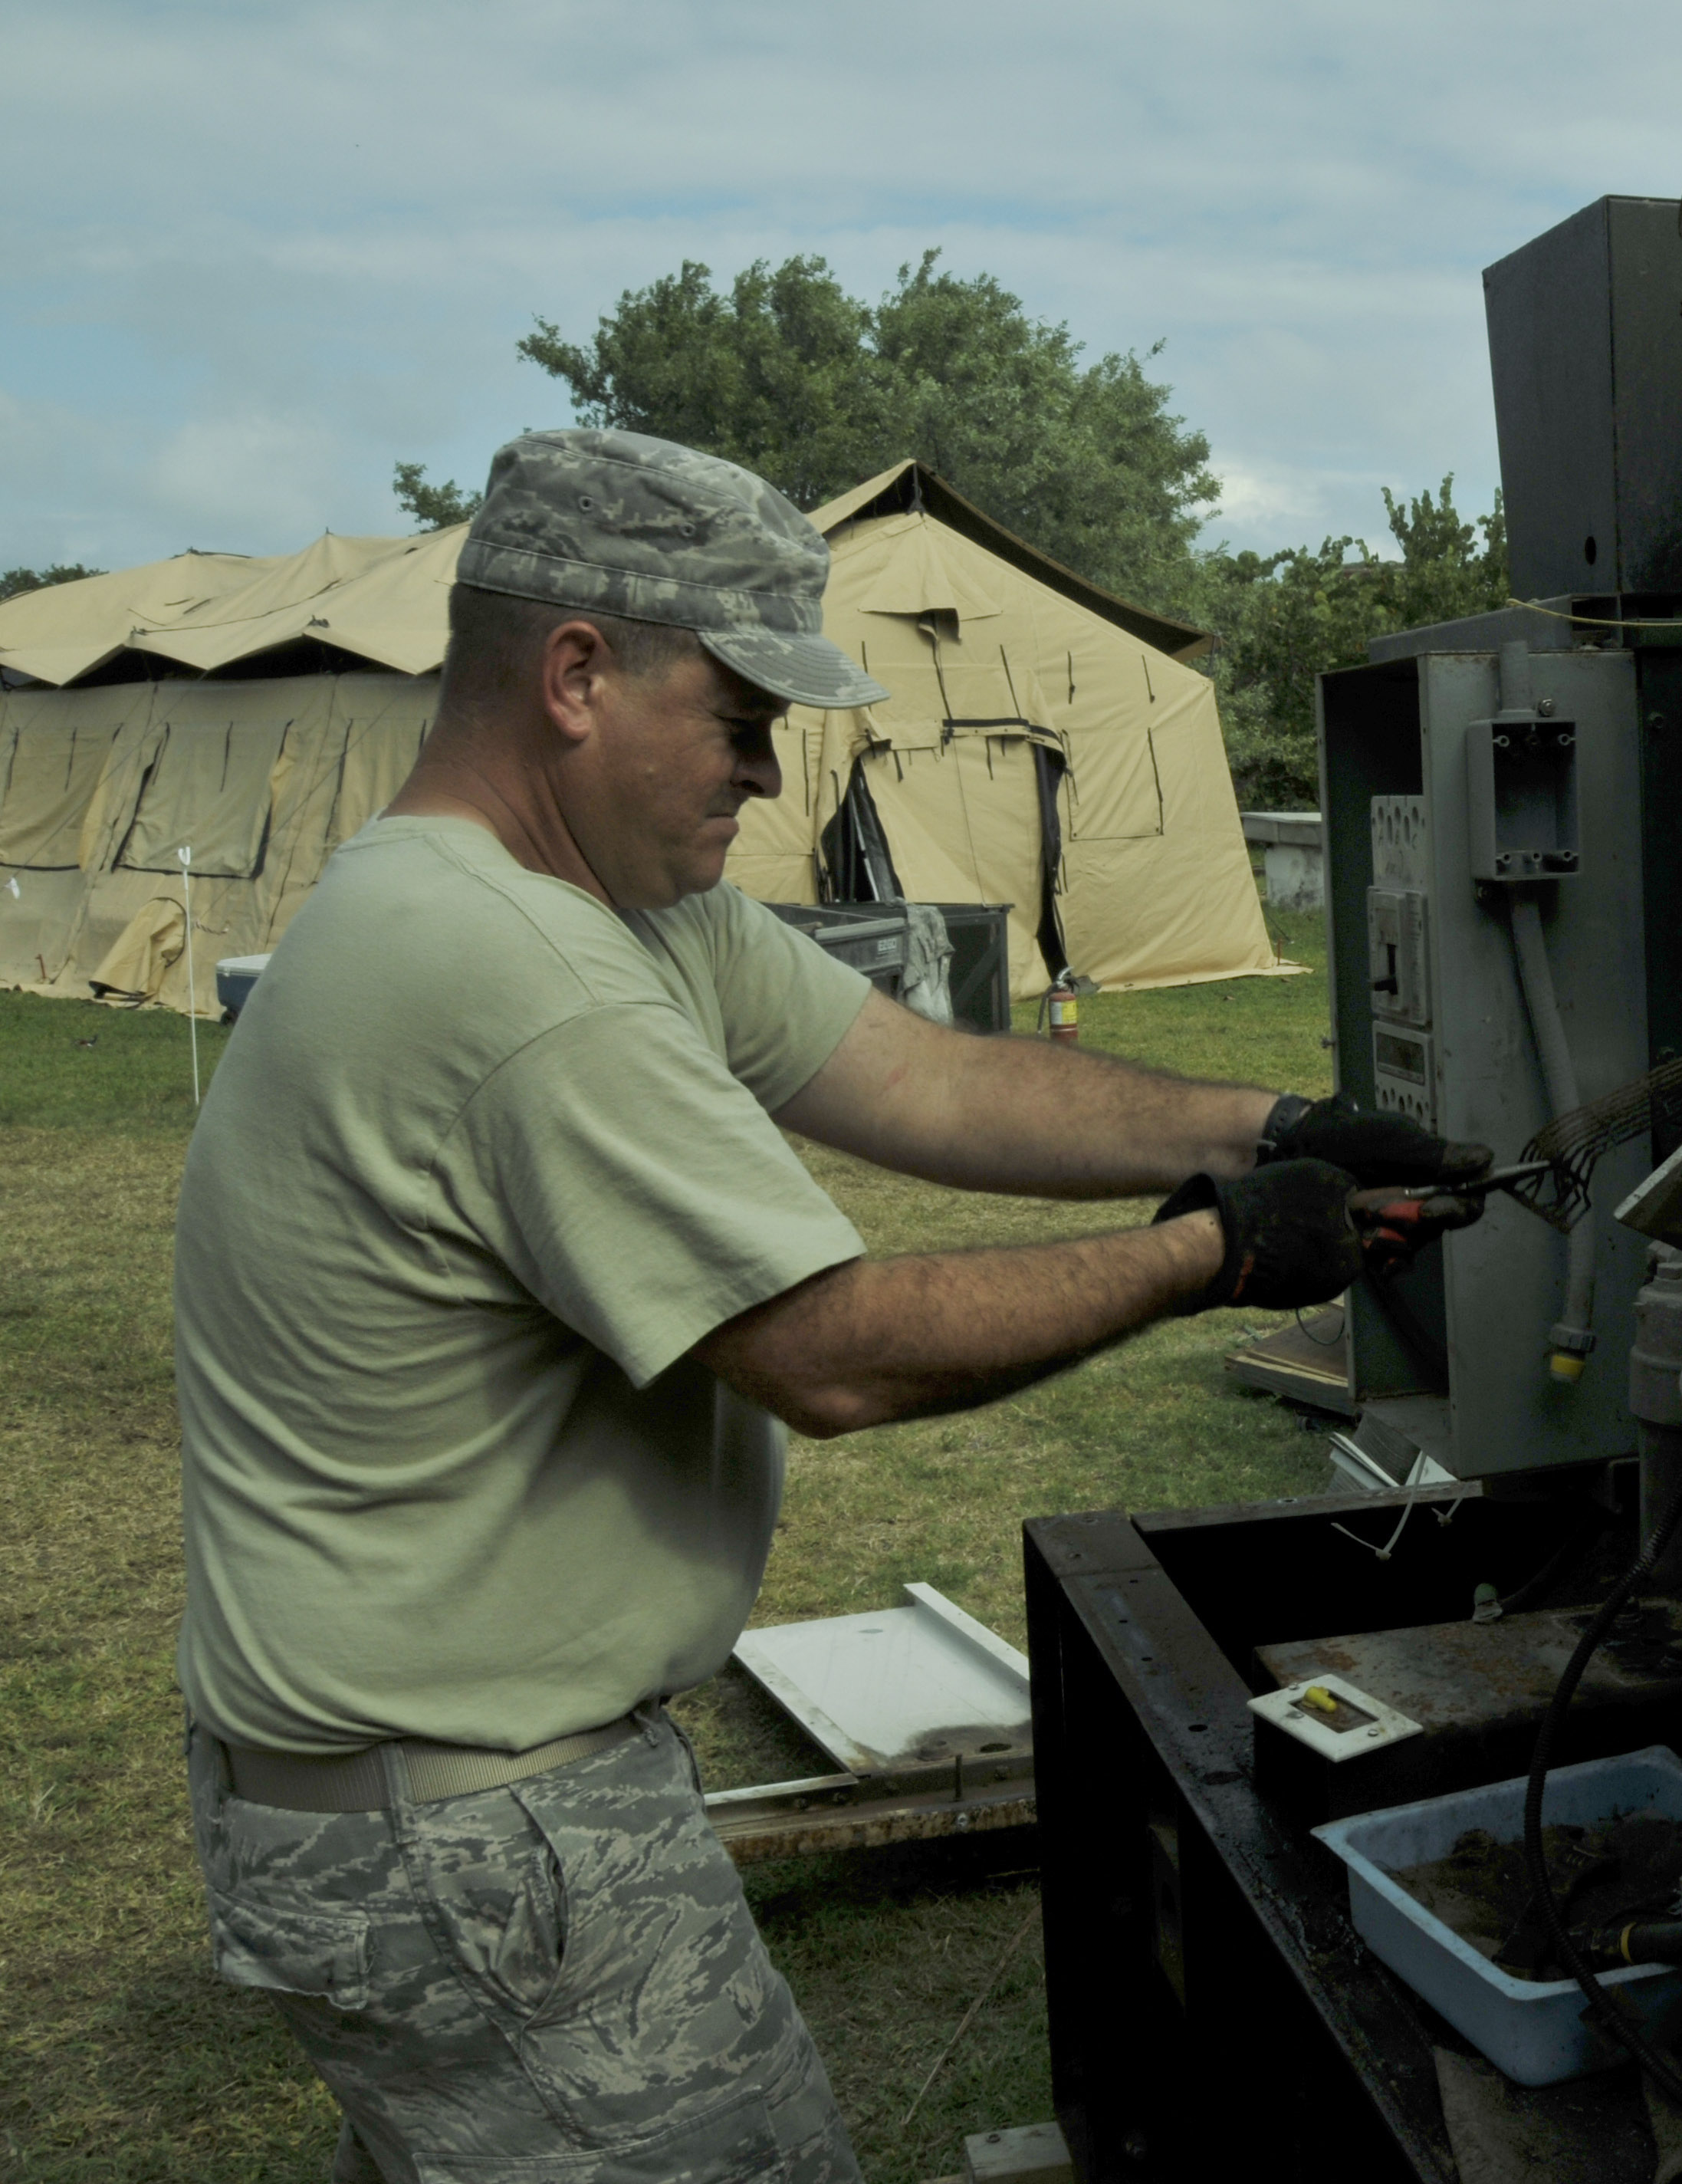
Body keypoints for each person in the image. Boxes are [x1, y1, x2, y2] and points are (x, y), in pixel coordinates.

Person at [171, 428, 1486, 2182]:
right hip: (478, 1822)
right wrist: (1217, 1251)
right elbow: (828, 1349)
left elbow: (927, 1082)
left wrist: (1273, 1125)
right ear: (577, 673)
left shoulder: (596, 897)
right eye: (740, 718)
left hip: (420, 1788)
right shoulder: (517, 970)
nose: (769, 774)